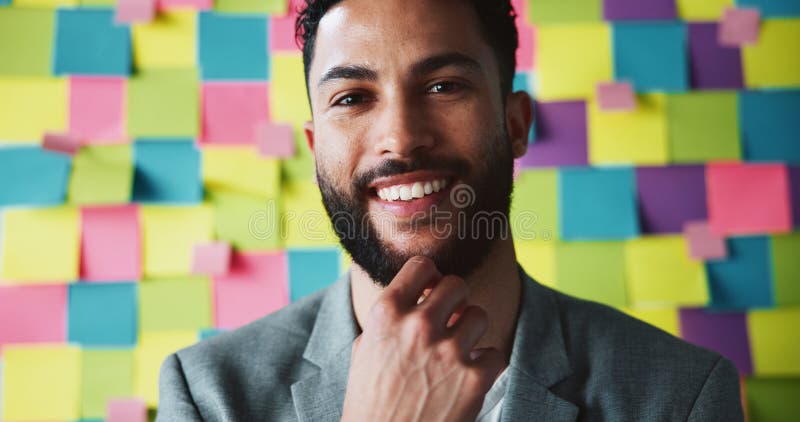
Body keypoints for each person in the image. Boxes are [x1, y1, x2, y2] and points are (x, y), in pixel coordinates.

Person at [157, 0, 744, 420]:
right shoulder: (210, 397)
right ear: (315, 150)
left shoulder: (681, 396)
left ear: (515, 124)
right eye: (352, 98)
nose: (400, 138)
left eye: (443, 86)